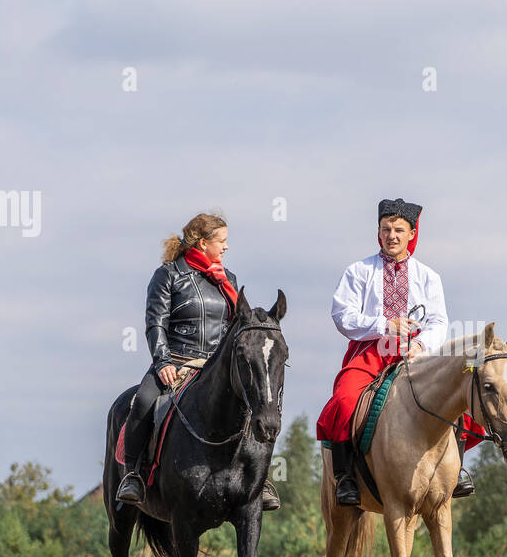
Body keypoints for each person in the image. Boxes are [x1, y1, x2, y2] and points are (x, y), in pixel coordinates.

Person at [316, 197, 480, 506]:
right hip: (370, 352)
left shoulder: (429, 276)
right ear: (378, 233)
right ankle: (345, 477)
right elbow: (342, 316)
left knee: (459, 396)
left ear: (412, 234)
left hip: (418, 356)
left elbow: (438, 320)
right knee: (344, 400)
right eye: (386, 229)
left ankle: (455, 468)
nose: (392, 235)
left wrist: (421, 343)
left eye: (399, 230)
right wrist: (384, 325)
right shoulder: (357, 271)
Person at [117, 212, 280, 509]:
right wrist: (163, 361)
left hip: (214, 367)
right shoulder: (167, 275)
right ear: (204, 243)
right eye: (223, 241)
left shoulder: (227, 279)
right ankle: (132, 475)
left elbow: (235, 326)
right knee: (141, 401)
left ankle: (260, 478)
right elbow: (155, 324)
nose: (227, 247)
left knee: (258, 401)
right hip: (176, 362)